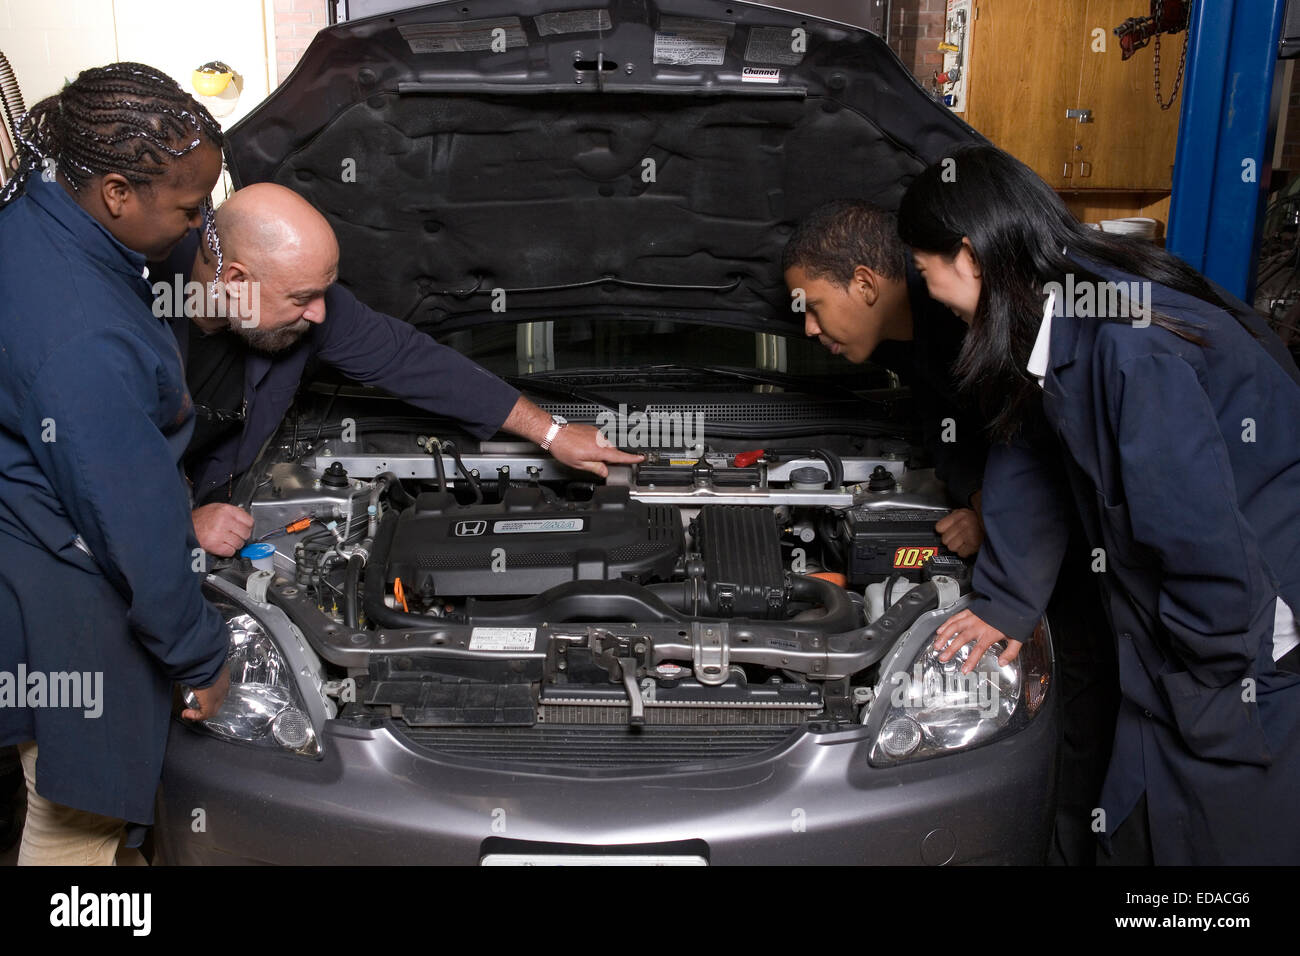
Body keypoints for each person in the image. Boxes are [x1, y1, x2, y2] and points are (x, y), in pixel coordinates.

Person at [898, 142, 1300, 864]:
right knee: (1132, 823)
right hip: (1184, 636)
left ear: (969, 255)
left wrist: (1208, 687)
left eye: (927, 275)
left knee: (1214, 842)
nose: (930, 298)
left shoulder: (1127, 346)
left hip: (1244, 643)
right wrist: (1004, 601)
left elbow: (1196, 538)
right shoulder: (1065, 312)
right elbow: (1027, 449)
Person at [0, 63, 233, 864]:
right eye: (190, 207)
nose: (202, 227)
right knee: (73, 836)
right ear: (115, 193)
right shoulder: (85, 340)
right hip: (58, 592)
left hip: (23, 545)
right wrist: (203, 654)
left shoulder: (33, 216)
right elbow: (128, 519)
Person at [148, 182, 643, 557]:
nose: (321, 313)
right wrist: (178, 525)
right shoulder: (131, 316)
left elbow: (413, 360)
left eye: (324, 291)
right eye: (302, 298)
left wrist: (552, 432)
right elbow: (86, 468)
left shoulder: (299, 303)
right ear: (237, 281)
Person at [783, 200, 987, 556]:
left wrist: (996, 520)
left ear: (864, 284)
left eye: (814, 307)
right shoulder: (900, 346)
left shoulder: (969, 320)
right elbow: (950, 437)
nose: (809, 329)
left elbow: (1029, 449)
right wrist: (979, 502)